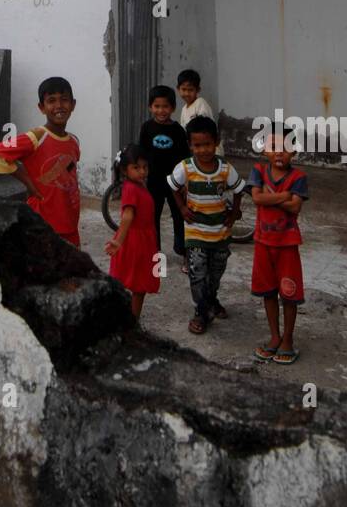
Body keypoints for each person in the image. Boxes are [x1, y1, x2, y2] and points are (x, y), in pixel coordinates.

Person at [168, 115, 245, 334]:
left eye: (207, 144)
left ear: (217, 142)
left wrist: (234, 213)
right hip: (195, 232)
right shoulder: (186, 168)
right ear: (190, 145)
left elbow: (239, 190)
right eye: (197, 145)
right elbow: (173, 186)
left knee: (216, 272)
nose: (203, 150)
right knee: (197, 273)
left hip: (220, 233)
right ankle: (201, 313)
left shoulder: (225, 169)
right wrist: (182, 208)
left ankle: (211, 300)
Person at [0, 76, 81, 246]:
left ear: (73, 104)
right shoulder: (36, 136)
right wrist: (28, 182)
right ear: (41, 107)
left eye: (64, 100)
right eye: (51, 101)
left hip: (70, 225)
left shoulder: (73, 141)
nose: (59, 106)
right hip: (43, 225)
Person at [247, 132, 309, 365]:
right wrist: (285, 195)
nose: (279, 151)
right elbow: (256, 199)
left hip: (287, 245)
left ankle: (288, 340)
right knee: (268, 292)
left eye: (285, 147)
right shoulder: (258, 171)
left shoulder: (299, 177)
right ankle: (274, 337)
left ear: (294, 151)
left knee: (289, 294)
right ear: (264, 151)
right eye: (273, 146)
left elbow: (295, 208)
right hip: (263, 243)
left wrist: (270, 195)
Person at [105, 145, 160, 319]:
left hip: (145, 239)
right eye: (136, 167)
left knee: (137, 284)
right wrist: (119, 241)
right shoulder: (130, 188)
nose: (142, 171)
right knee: (138, 284)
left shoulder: (139, 185)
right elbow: (128, 216)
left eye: (145, 167)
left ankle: (130, 318)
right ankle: (131, 321)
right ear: (124, 170)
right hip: (135, 241)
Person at [138, 85, 188, 273]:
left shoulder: (178, 131)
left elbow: (185, 158)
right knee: (152, 218)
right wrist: (141, 178)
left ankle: (185, 253)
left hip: (175, 183)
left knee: (179, 216)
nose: (161, 111)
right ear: (150, 107)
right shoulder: (146, 128)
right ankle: (155, 254)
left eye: (165, 106)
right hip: (153, 182)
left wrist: (185, 182)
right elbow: (141, 155)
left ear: (173, 108)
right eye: (156, 106)